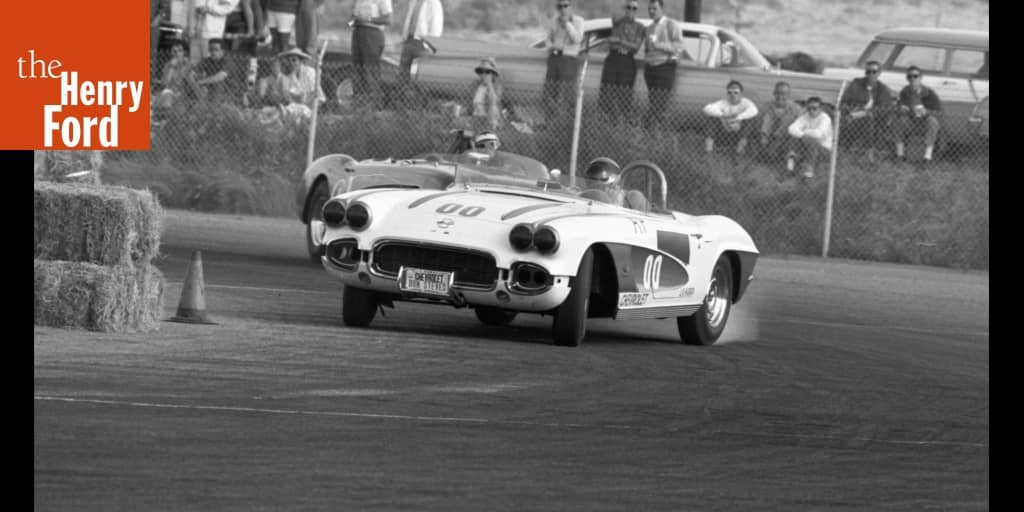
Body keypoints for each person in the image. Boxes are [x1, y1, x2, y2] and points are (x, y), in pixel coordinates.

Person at [598, 0, 645, 123]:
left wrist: (619, 41)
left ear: (637, 11)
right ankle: (606, 120)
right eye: (629, 7)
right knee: (607, 90)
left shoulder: (639, 26)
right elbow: (614, 16)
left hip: (627, 60)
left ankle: (623, 121)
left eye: (634, 8)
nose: (631, 10)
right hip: (613, 57)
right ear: (625, 8)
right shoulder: (618, 22)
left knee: (625, 92)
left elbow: (635, 47)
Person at [641, 0, 684, 130]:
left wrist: (659, 44)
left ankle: (658, 133)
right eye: (649, 9)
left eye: (654, 8)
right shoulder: (649, 28)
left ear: (662, 9)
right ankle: (652, 133)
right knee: (653, 100)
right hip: (650, 69)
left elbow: (679, 46)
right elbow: (647, 49)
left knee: (660, 104)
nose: (651, 11)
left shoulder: (671, 24)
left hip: (665, 67)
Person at [839, 60, 893, 162]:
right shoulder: (856, 84)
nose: (870, 74)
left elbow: (884, 109)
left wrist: (866, 112)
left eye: (874, 71)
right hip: (853, 117)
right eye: (868, 71)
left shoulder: (882, 89)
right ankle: (858, 153)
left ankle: (868, 153)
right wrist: (853, 110)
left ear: (879, 73)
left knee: (868, 119)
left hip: (873, 121)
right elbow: (844, 101)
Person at [541, 0, 584, 123]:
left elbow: (577, 39)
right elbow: (548, 38)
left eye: (565, 6)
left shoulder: (578, 21)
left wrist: (567, 24)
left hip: (568, 58)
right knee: (550, 91)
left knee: (564, 92)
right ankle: (549, 121)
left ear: (571, 7)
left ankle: (562, 123)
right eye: (560, 6)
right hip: (554, 58)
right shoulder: (554, 21)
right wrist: (551, 46)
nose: (562, 9)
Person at [893, 65, 942, 165]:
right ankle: (900, 155)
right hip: (910, 122)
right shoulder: (904, 92)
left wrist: (926, 112)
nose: (912, 79)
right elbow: (898, 107)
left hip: (924, 123)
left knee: (932, 121)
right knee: (899, 121)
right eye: (909, 77)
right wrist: (901, 109)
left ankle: (927, 158)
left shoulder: (929, 93)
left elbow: (939, 112)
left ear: (921, 77)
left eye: (915, 76)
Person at [351, 0, 393, 106]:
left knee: (370, 70)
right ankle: (358, 102)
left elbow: (388, 19)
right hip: (357, 31)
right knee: (357, 69)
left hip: (372, 33)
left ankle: (372, 104)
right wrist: (351, 21)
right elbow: (353, 17)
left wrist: (368, 20)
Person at [702, 80, 759, 156]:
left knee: (751, 119)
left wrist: (738, 118)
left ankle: (739, 150)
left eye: (736, 92)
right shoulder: (723, 102)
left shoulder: (746, 102)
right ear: (727, 93)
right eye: (730, 92)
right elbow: (706, 108)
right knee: (712, 118)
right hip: (723, 133)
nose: (732, 95)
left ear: (741, 94)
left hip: (739, 134)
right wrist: (723, 115)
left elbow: (754, 111)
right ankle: (708, 150)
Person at [787, 96, 833, 179]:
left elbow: (818, 134)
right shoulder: (805, 116)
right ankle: (790, 167)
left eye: (814, 108)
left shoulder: (825, 119)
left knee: (811, 140)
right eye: (809, 108)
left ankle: (809, 171)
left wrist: (803, 132)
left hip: (824, 150)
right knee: (794, 137)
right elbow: (791, 128)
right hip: (807, 148)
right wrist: (803, 135)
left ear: (821, 109)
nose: (811, 111)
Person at [399, 0, 443, 85]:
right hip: (409, 40)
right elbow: (409, 20)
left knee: (419, 75)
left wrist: (430, 44)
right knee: (403, 73)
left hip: (423, 44)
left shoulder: (433, 3)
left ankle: (416, 92)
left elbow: (435, 26)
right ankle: (403, 91)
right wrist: (404, 37)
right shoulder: (414, 1)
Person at [581, 157, 649, 211]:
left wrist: (616, 206)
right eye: (593, 177)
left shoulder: (633, 198)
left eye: (602, 179)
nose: (598, 182)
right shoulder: (579, 193)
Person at [759, 81, 803, 164]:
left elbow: (801, 125)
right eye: (778, 93)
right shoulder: (767, 106)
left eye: (784, 94)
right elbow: (760, 123)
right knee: (767, 116)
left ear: (788, 95)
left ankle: (785, 156)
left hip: (787, 139)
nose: (780, 96)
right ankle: (768, 151)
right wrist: (764, 136)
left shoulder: (796, 109)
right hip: (768, 137)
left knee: (789, 119)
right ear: (774, 93)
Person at [194, 38, 239, 104]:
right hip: (211, 90)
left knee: (217, 83)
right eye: (211, 49)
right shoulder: (207, 60)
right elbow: (193, 73)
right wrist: (198, 82)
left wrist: (202, 82)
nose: (213, 52)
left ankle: (214, 104)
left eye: (216, 50)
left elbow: (220, 76)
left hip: (228, 92)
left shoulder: (228, 61)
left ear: (223, 51)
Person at [157, 39, 199, 108]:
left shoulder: (189, 64)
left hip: (186, 91)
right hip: (171, 90)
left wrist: (185, 67)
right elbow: (164, 83)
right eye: (174, 51)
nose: (177, 53)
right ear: (171, 53)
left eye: (180, 50)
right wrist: (172, 67)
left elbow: (193, 80)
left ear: (184, 52)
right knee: (167, 98)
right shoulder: (168, 65)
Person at [470, 58, 505, 132]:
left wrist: (489, 84)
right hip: (476, 117)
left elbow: (494, 102)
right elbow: (469, 102)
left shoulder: (497, 86)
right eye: (481, 71)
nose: (484, 74)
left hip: (489, 118)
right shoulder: (475, 85)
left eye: (487, 72)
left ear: (493, 74)